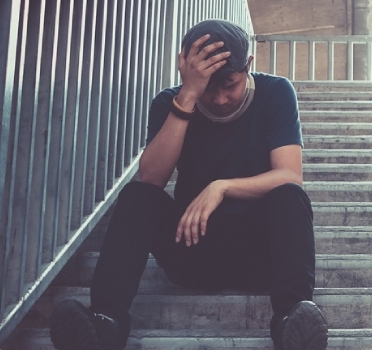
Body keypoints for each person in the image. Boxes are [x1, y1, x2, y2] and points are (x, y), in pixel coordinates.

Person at [48, 19, 327, 350]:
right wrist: (189, 96)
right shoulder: (170, 104)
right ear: (186, 71)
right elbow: (151, 179)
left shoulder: (275, 93)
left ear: (249, 66)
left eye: (230, 84)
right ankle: (105, 324)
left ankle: (290, 321)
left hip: (261, 255)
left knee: (289, 196)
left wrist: (220, 187)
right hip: (195, 253)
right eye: (209, 87)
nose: (220, 98)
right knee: (138, 196)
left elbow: (290, 174)